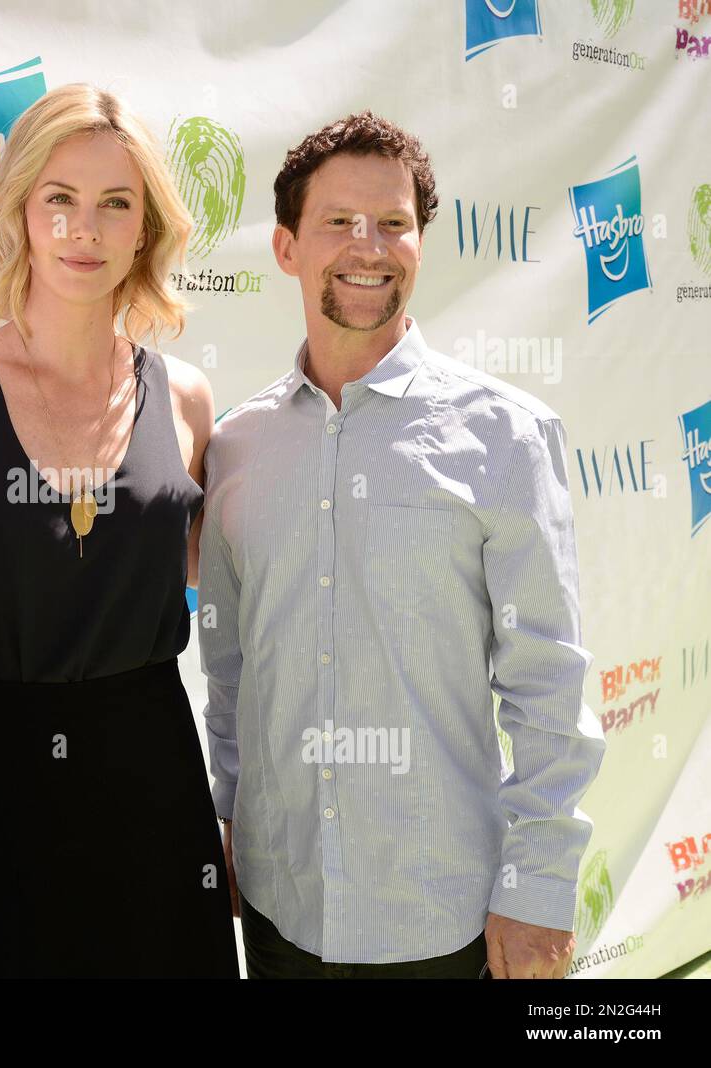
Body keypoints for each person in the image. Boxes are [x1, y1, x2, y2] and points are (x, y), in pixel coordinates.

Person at [198, 111, 606, 979]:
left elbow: (549, 685)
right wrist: (230, 818)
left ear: (422, 242)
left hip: (444, 920)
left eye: (394, 223)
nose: (368, 245)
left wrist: (538, 893)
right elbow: (232, 670)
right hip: (279, 904)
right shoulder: (237, 447)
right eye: (338, 222)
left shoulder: (507, 437)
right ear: (286, 246)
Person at [0, 83, 238, 977]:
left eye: (116, 204)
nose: (86, 230)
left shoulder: (187, 398)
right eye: (60, 201)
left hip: (154, 782)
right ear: (20, 212)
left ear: (146, 226)